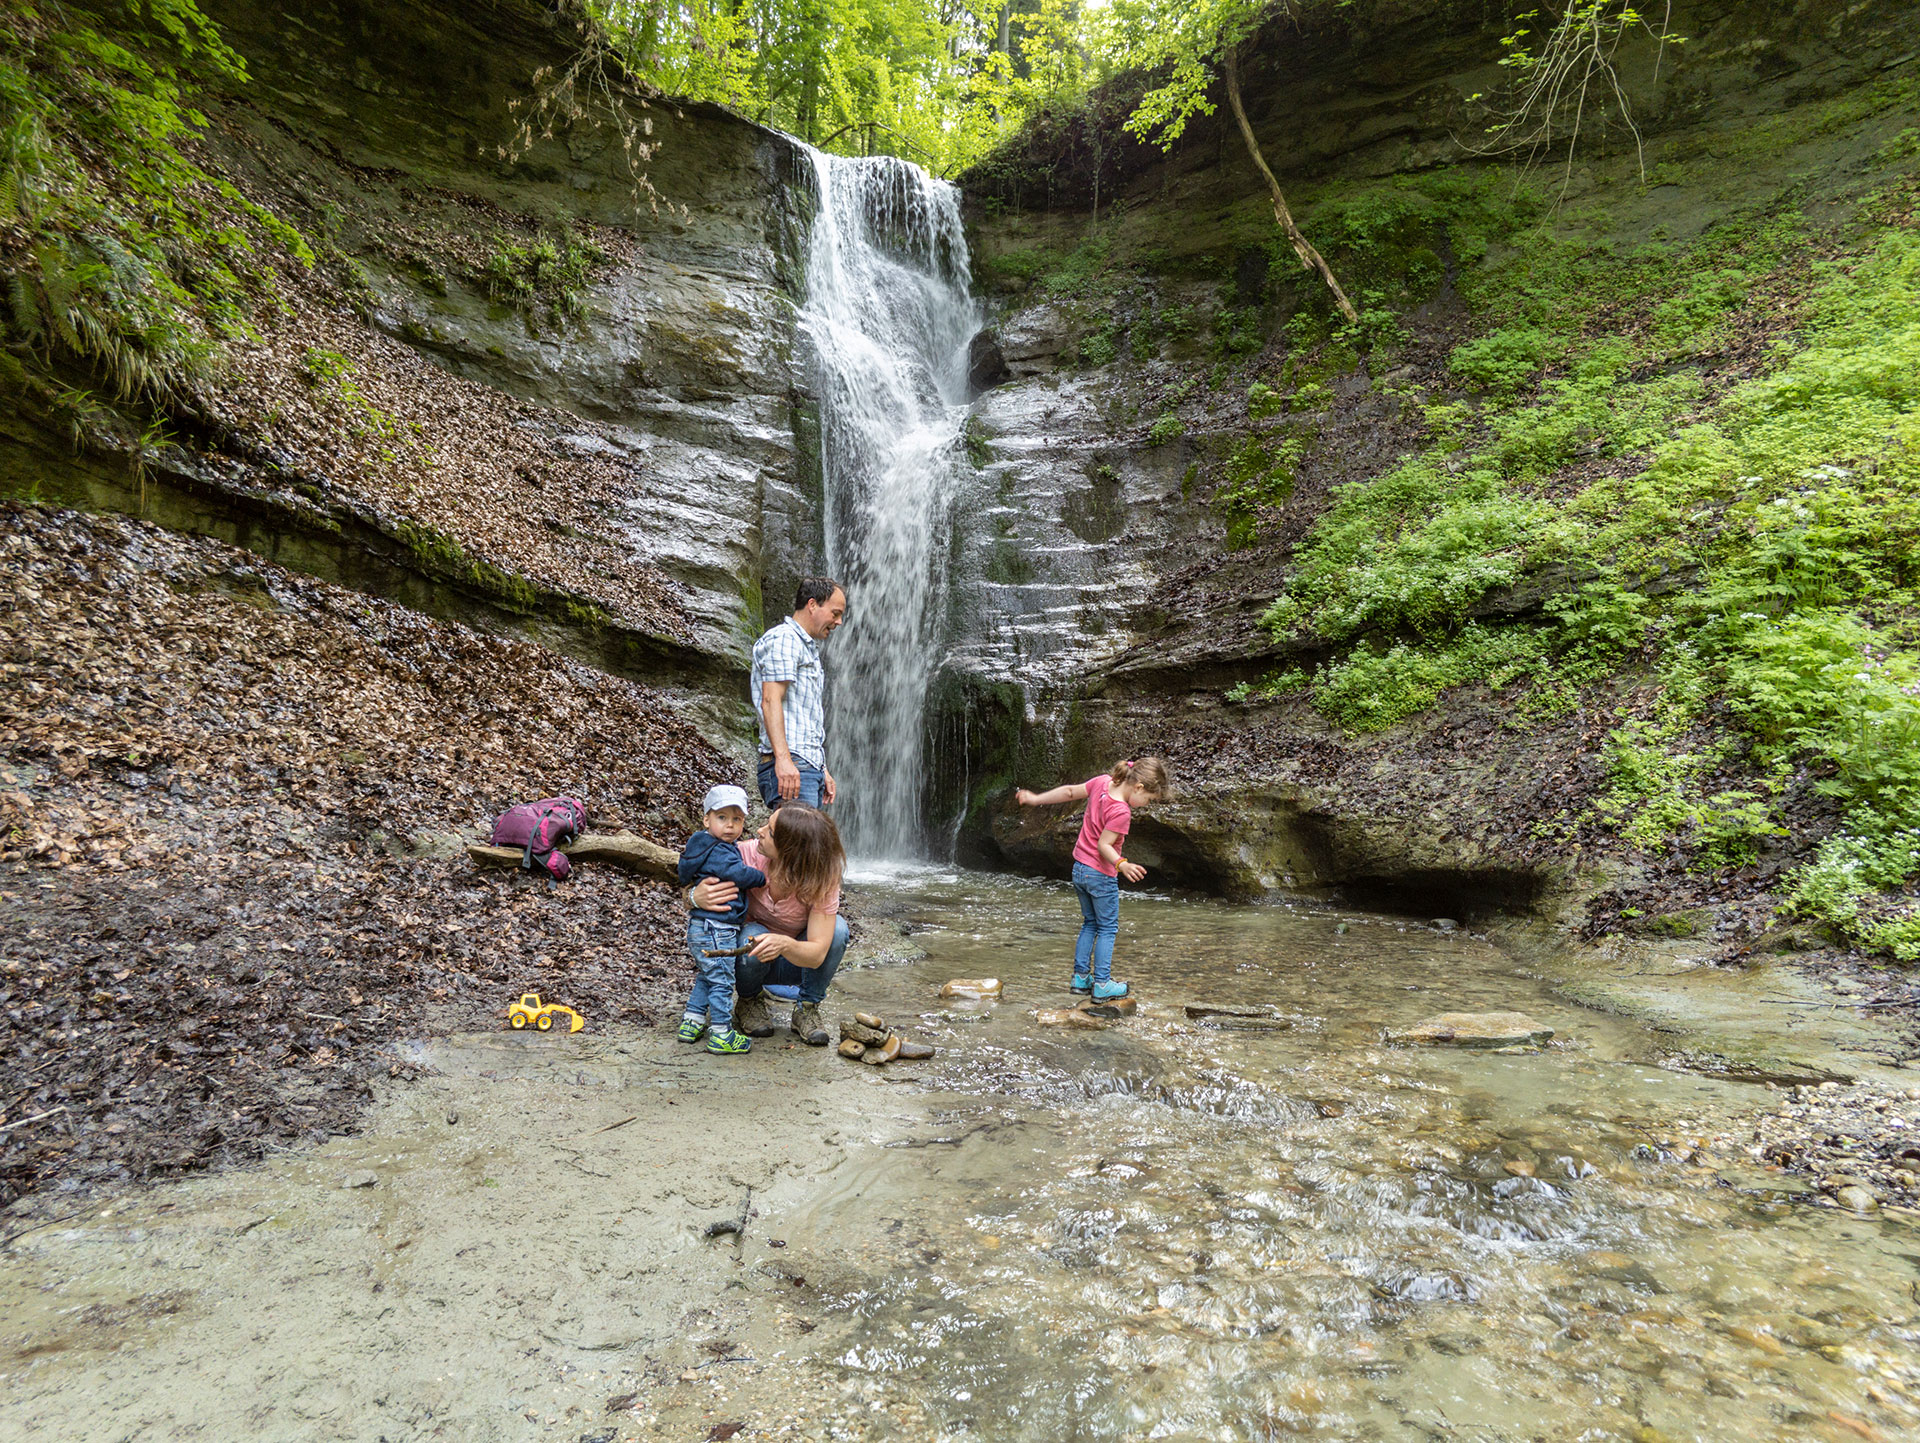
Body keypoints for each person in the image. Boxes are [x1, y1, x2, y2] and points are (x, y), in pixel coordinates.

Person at [685, 802, 848, 1047]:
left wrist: (783, 944)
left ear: (791, 849)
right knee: (752, 934)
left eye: (770, 831)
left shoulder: (822, 875)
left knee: (838, 930)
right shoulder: (745, 854)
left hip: (799, 961)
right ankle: (749, 1001)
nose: (759, 831)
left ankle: (807, 1007)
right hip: (747, 958)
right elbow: (692, 875)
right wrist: (692, 897)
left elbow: (816, 955)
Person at [1015, 757, 1174, 1001]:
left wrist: (1036, 799)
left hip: (1079, 869)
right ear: (1139, 787)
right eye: (1149, 800)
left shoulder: (1102, 782)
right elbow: (1104, 845)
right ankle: (1102, 984)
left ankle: (1080, 978)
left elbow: (1069, 792)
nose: (1145, 805)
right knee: (1108, 928)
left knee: (1090, 923)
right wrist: (1123, 864)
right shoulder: (1121, 811)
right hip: (1100, 875)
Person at [674, 785, 767, 1055]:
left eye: (737, 819)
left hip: (701, 927)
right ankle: (722, 1033)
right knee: (723, 981)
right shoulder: (720, 851)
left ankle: (691, 1022)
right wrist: (761, 878)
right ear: (706, 819)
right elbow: (737, 873)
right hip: (719, 928)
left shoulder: (699, 845)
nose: (730, 826)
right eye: (722, 818)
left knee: (708, 974)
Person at [750, 577, 846, 810]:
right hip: (791, 765)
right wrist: (783, 760)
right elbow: (770, 701)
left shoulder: (805, 647)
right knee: (797, 846)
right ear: (812, 605)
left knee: (805, 846)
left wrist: (822, 768)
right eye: (835, 613)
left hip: (804, 766)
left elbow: (802, 716)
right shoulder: (784, 639)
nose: (839, 621)